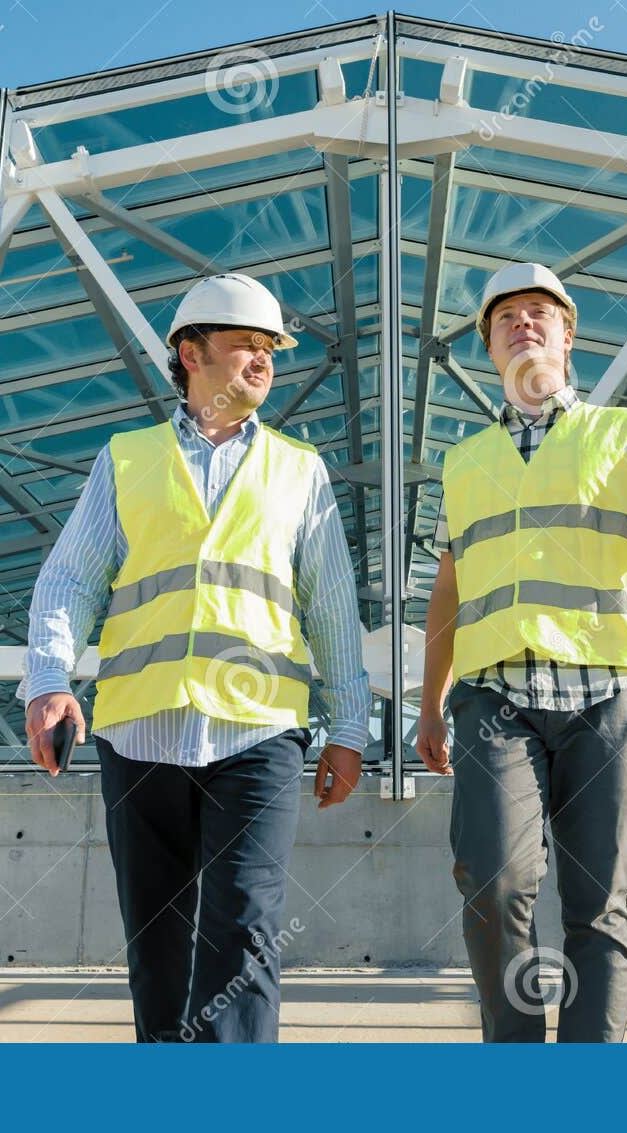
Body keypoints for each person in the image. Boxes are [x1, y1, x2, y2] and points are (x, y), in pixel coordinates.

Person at [414, 263, 627, 1042]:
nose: (524, 325)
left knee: (601, 901)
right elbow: (449, 589)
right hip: (494, 698)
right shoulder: (463, 461)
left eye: (541, 313)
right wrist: (428, 703)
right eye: (508, 318)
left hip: (607, 697)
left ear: (569, 337)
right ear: (489, 346)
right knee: (491, 880)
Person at [19, 273, 371, 1042]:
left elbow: (331, 605)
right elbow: (71, 579)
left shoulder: (298, 469)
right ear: (190, 352)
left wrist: (349, 726)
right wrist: (49, 680)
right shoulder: (126, 459)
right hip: (139, 732)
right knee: (158, 945)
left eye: (270, 349)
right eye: (246, 344)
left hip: (260, 733)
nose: (263, 360)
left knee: (244, 930)